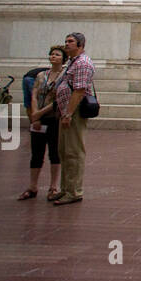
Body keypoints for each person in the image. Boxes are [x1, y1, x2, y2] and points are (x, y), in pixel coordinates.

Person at [18, 45, 65, 201]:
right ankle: (32, 186)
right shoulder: (40, 75)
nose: (53, 57)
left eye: (57, 55)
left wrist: (39, 113)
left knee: (54, 153)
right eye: (52, 54)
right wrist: (35, 116)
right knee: (36, 153)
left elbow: (59, 99)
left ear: (63, 59)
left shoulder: (64, 77)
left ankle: (53, 187)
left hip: (54, 118)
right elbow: (34, 95)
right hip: (39, 119)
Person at [53, 31, 95, 205]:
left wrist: (68, 113)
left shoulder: (82, 63)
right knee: (64, 151)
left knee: (74, 152)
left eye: (70, 41)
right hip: (66, 112)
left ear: (80, 45)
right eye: (66, 41)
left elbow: (79, 91)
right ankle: (65, 189)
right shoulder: (72, 62)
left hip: (74, 112)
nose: (66, 44)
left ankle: (74, 191)